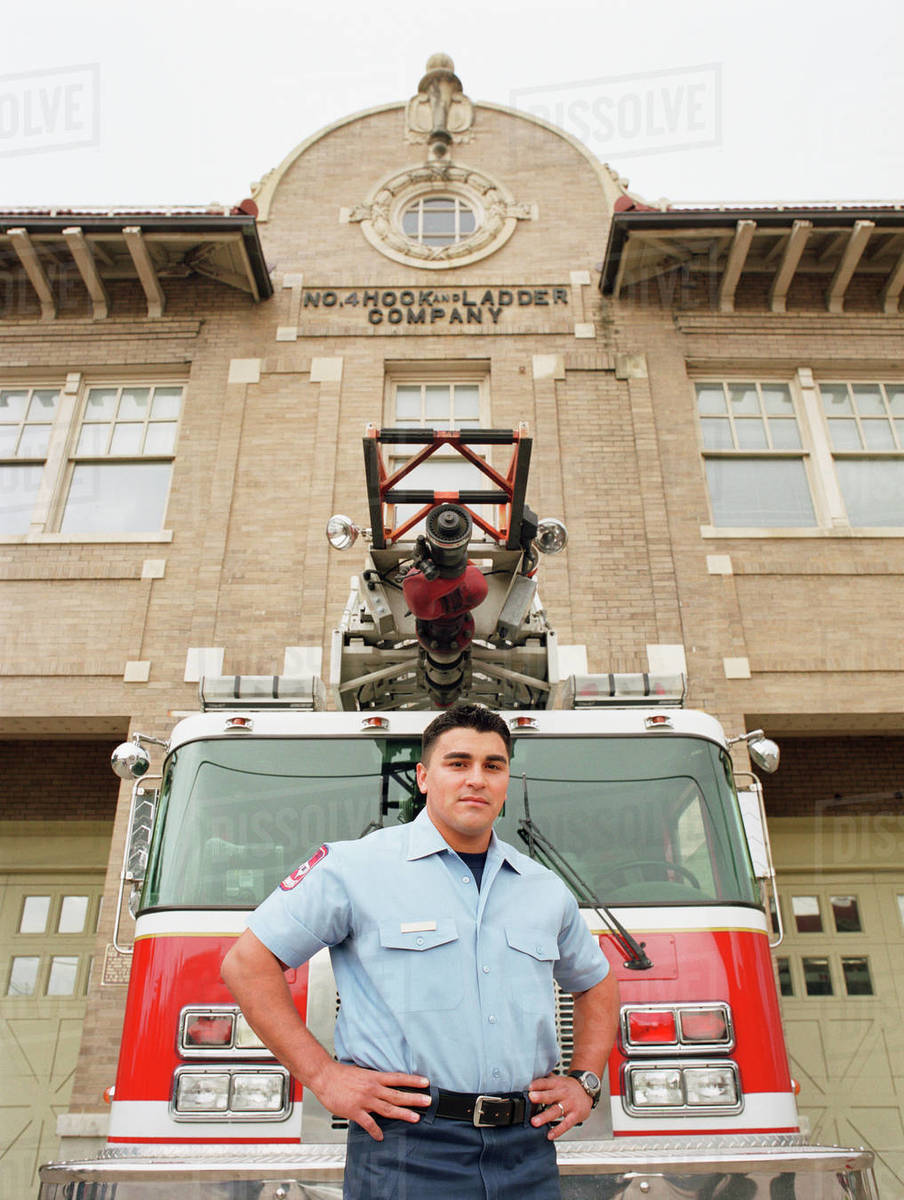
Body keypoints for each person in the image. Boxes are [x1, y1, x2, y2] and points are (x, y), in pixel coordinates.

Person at [221, 703, 619, 1199]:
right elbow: (247, 962)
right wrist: (323, 1076)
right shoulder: (354, 867)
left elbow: (596, 981)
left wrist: (584, 1081)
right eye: (458, 763)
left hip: (527, 1147)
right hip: (408, 1144)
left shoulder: (544, 888)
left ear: (506, 783)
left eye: (493, 766)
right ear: (424, 777)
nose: (477, 778)